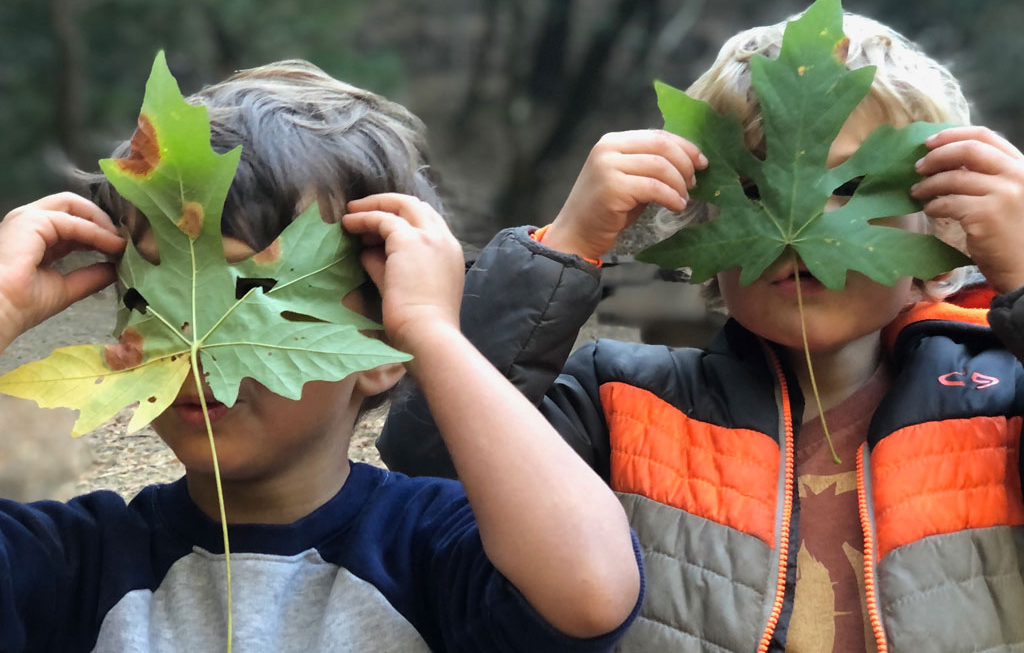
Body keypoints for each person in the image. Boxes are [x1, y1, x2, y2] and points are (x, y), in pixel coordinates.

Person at [378, 9, 1024, 652]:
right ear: (703, 220)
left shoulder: (1001, 400)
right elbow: (432, 458)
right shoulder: (619, 399)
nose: (800, 222)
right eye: (750, 184)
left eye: (852, 186)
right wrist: (568, 244)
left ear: (939, 221)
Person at [0, 61, 643, 652]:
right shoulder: (73, 564)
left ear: (380, 350)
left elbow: (592, 592)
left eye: (253, 293)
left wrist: (435, 335)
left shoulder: (425, 551)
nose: (196, 336)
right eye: (150, 299)